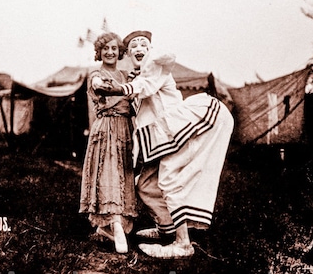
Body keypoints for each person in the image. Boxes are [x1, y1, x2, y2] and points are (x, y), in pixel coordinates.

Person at [98, 30, 234, 258]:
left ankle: (183, 243)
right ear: (128, 55)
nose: (139, 48)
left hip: (176, 129)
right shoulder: (136, 77)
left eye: (143, 44)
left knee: (169, 179)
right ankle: (166, 227)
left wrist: (119, 89)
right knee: (146, 185)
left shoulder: (156, 65)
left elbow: (150, 79)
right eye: (133, 47)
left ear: (150, 49)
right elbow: (139, 106)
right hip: (159, 137)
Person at [79, 32, 138, 253]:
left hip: (126, 128)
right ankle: (115, 225)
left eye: (114, 48)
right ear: (99, 52)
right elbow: (97, 86)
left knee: (124, 174)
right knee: (109, 173)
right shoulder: (96, 74)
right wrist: (109, 86)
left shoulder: (125, 75)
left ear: (120, 51)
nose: (110, 52)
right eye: (106, 48)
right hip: (107, 128)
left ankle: (110, 227)